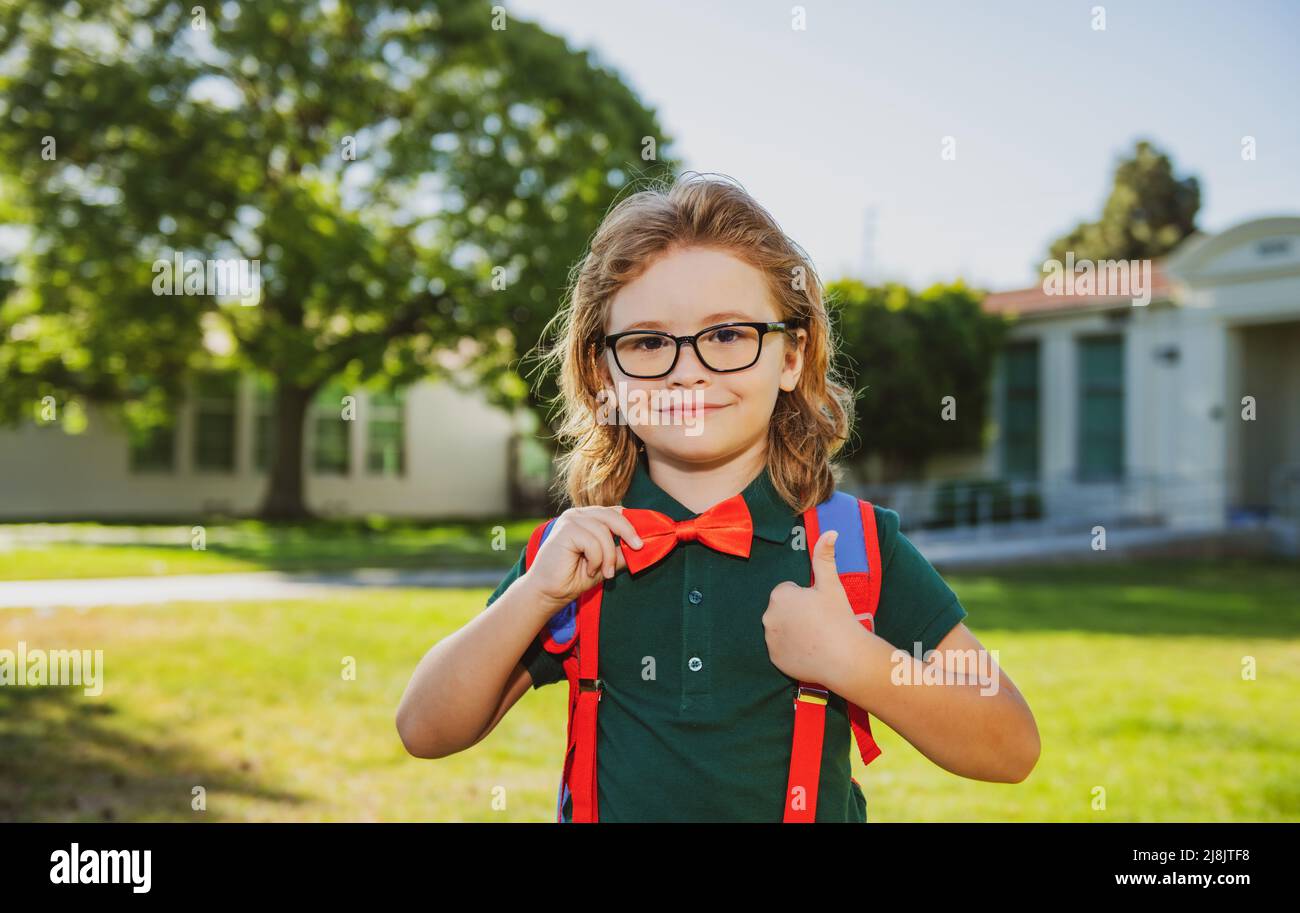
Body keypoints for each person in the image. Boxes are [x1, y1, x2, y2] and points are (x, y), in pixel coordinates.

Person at [396, 172, 1040, 822]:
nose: (687, 367)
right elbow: (425, 729)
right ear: (602, 373)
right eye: (647, 341)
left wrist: (855, 660)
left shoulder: (854, 546)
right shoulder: (573, 557)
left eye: (728, 334)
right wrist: (533, 594)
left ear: (791, 355)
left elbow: (1011, 744)